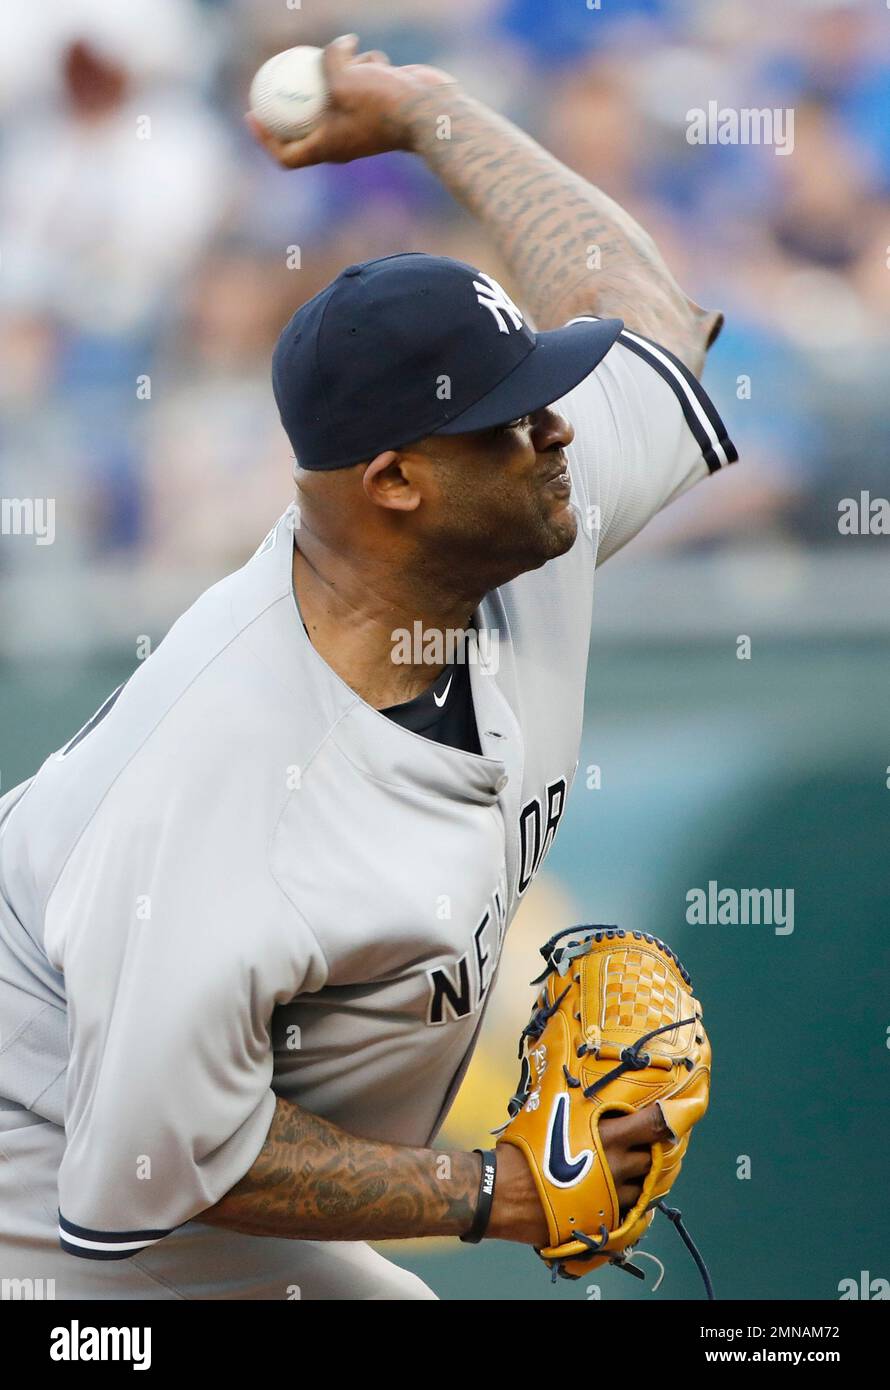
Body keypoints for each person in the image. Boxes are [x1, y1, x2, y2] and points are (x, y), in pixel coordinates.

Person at [0, 36, 736, 1300]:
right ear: (394, 481)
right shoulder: (222, 784)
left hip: (198, 1193)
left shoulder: (517, 515)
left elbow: (645, 314)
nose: (556, 428)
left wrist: (430, 111)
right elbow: (146, 1176)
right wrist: (498, 1192)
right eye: (508, 415)